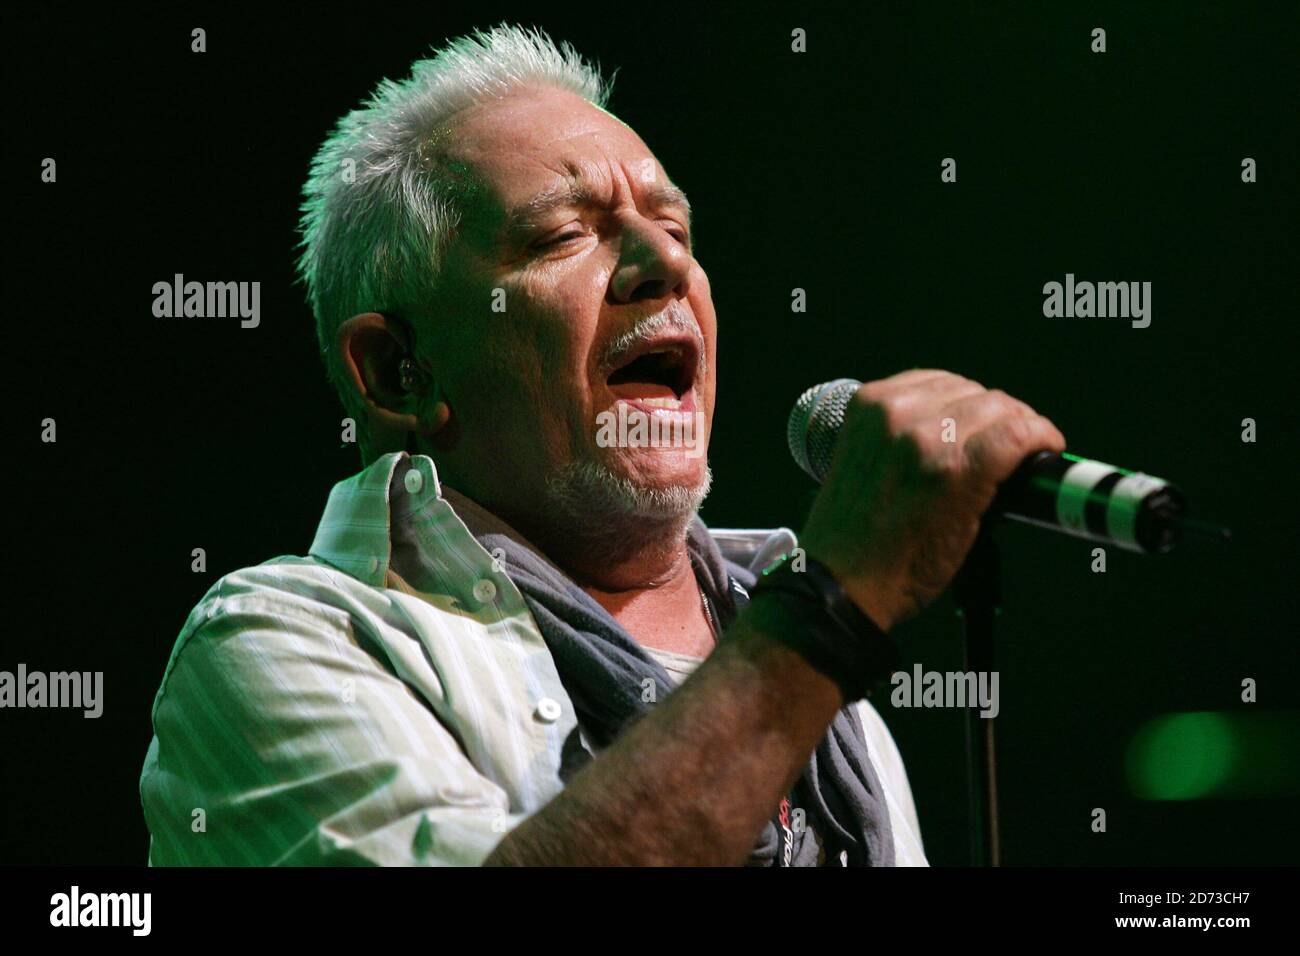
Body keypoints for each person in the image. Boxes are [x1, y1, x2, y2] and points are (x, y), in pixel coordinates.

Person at [139, 24, 1065, 866]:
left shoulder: (814, 682)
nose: (665, 263)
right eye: (562, 233)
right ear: (398, 372)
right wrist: (829, 607)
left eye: (673, 227)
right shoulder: (286, 644)